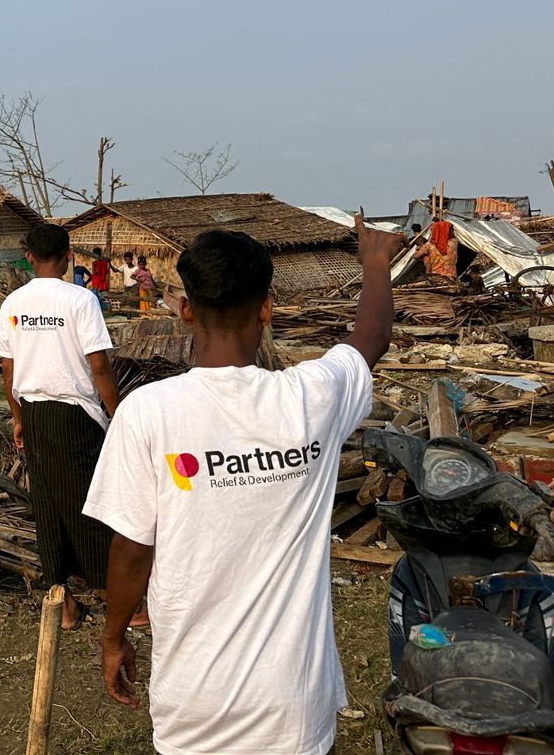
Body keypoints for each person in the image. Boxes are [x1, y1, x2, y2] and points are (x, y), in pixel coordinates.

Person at [84, 217, 407, 755]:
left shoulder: (148, 412)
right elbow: (369, 338)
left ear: (184, 308)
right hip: (293, 703)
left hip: (194, 699)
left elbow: (131, 548)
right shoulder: (311, 399)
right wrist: (375, 262)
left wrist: (114, 638)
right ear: (266, 308)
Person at [0, 224, 125, 631]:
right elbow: (99, 365)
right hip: (75, 413)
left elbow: (9, 368)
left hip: (35, 412)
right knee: (93, 503)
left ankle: (62, 601)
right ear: (69, 255)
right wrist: (118, 414)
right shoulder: (81, 300)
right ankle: (122, 601)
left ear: (30, 257)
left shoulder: (13, 303)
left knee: (49, 505)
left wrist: (18, 417)